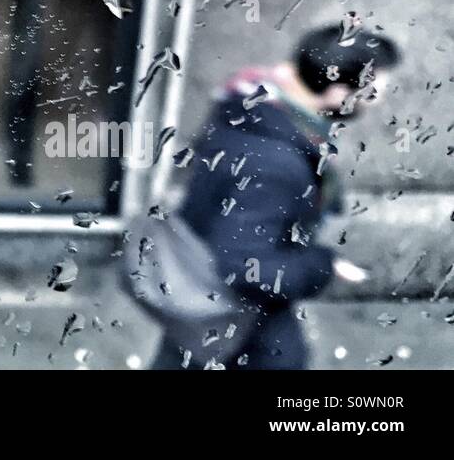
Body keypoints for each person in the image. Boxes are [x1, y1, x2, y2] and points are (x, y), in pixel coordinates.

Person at [151, 24, 401, 370]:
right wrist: (321, 265)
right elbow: (245, 267)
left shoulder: (248, 109)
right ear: (336, 92)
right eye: (372, 92)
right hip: (234, 324)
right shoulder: (276, 165)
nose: (377, 102)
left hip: (198, 300)